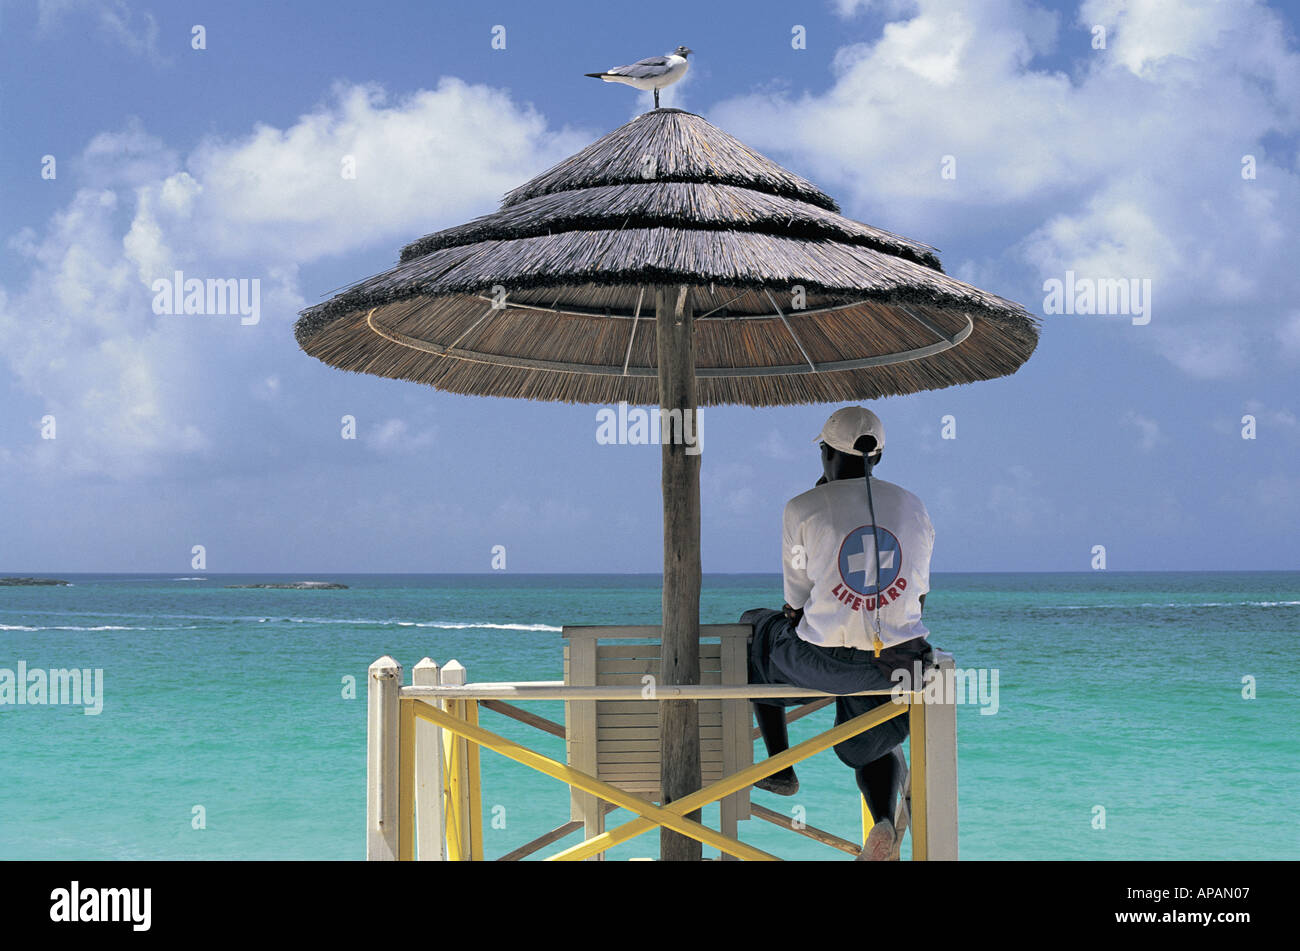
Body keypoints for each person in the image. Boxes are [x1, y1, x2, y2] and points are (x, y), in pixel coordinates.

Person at [741, 406, 935, 861]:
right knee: (869, 741)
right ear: (878, 458)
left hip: (824, 664)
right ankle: (883, 822)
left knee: (755, 625)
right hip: (899, 665)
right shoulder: (914, 505)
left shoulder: (802, 507)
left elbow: (794, 603)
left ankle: (780, 766)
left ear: (826, 453)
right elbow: (919, 597)